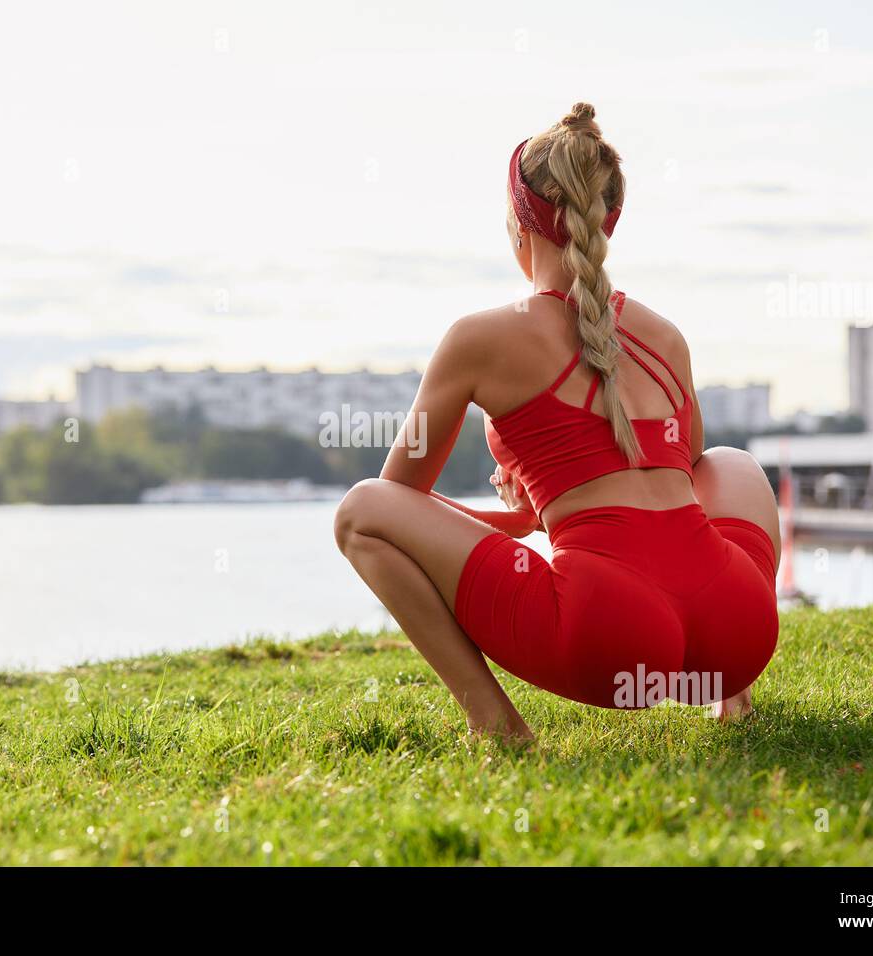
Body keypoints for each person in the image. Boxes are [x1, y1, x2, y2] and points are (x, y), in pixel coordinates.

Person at [334, 103, 780, 743]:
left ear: (520, 226)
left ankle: (496, 725)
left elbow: (399, 499)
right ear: (608, 221)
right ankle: (731, 699)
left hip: (612, 636)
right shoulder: (667, 336)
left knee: (361, 511)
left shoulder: (478, 337)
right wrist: (548, 503)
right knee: (732, 464)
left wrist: (530, 512)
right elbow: (680, 479)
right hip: (735, 629)